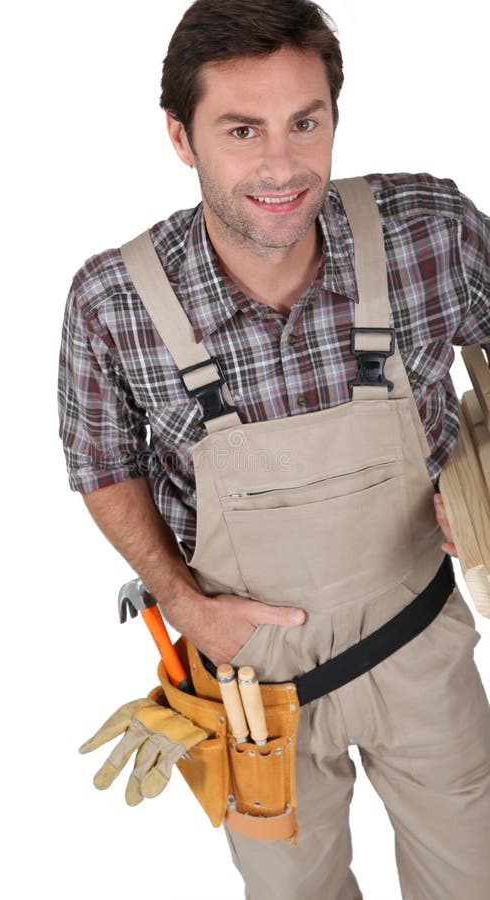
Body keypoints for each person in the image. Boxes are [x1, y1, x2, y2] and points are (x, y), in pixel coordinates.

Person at [58, 1, 490, 897]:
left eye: (307, 123)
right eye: (242, 130)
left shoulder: (429, 232)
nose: (282, 166)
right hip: (249, 684)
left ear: (336, 113)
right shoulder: (115, 301)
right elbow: (102, 464)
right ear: (181, 136)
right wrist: (182, 603)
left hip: (418, 639)